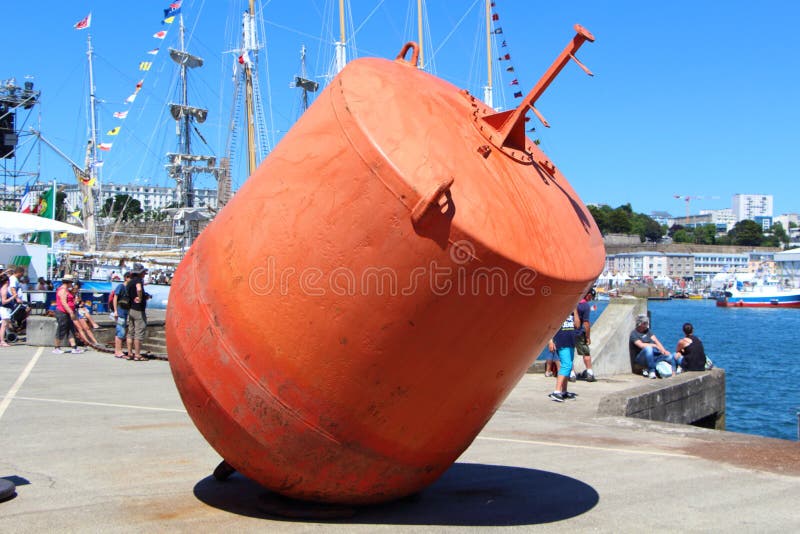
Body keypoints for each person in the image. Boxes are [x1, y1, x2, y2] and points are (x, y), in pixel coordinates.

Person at [547, 308, 581, 402]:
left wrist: (575, 311)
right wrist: (550, 341)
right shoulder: (559, 310)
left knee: (569, 366)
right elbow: (551, 326)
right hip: (561, 342)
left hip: (571, 342)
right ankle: (557, 391)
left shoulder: (573, 313)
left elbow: (577, 325)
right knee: (566, 365)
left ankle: (564, 391)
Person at [629, 314, 674, 379]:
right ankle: (651, 371)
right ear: (640, 324)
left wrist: (663, 351)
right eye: (645, 323)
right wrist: (653, 345)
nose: (646, 325)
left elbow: (656, 341)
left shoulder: (648, 331)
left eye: (647, 323)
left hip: (653, 356)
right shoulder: (634, 334)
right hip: (641, 358)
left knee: (670, 356)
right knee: (648, 349)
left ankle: (674, 370)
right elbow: (641, 345)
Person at [53, 275, 84, 354]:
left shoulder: (66, 290)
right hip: (62, 312)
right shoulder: (63, 290)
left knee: (70, 330)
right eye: (71, 282)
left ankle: (74, 347)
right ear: (68, 282)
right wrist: (71, 312)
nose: (72, 284)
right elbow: (64, 303)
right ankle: (56, 347)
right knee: (61, 330)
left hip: (66, 312)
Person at [125, 264, 149, 361]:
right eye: (143, 272)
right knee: (139, 332)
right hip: (138, 310)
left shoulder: (129, 282)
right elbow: (139, 288)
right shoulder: (138, 281)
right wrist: (140, 297)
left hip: (130, 309)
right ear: (140, 273)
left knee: (130, 332)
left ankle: (130, 353)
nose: (144, 274)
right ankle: (137, 354)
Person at [574, 287, 597, 382]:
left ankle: (571, 374)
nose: (591, 299)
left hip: (568, 331)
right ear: (588, 295)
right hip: (579, 333)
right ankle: (590, 372)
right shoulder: (585, 306)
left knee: (570, 353)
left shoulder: (573, 304)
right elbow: (586, 323)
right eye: (591, 297)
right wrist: (588, 337)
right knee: (586, 353)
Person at [112, 272, 133, 358]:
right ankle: (118, 351)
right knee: (120, 331)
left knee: (122, 330)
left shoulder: (129, 288)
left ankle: (118, 350)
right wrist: (115, 311)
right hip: (120, 311)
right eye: (130, 278)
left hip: (125, 311)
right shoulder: (121, 286)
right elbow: (115, 298)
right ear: (126, 278)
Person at [0, 273, 14, 346]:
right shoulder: (4, 289)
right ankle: (2, 341)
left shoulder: (3, 288)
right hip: (4, 309)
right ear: (7, 282)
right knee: (4, 325)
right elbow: (3, 301)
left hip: (5, 309)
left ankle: (2, 340)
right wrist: (13, 297)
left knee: (5, 324)